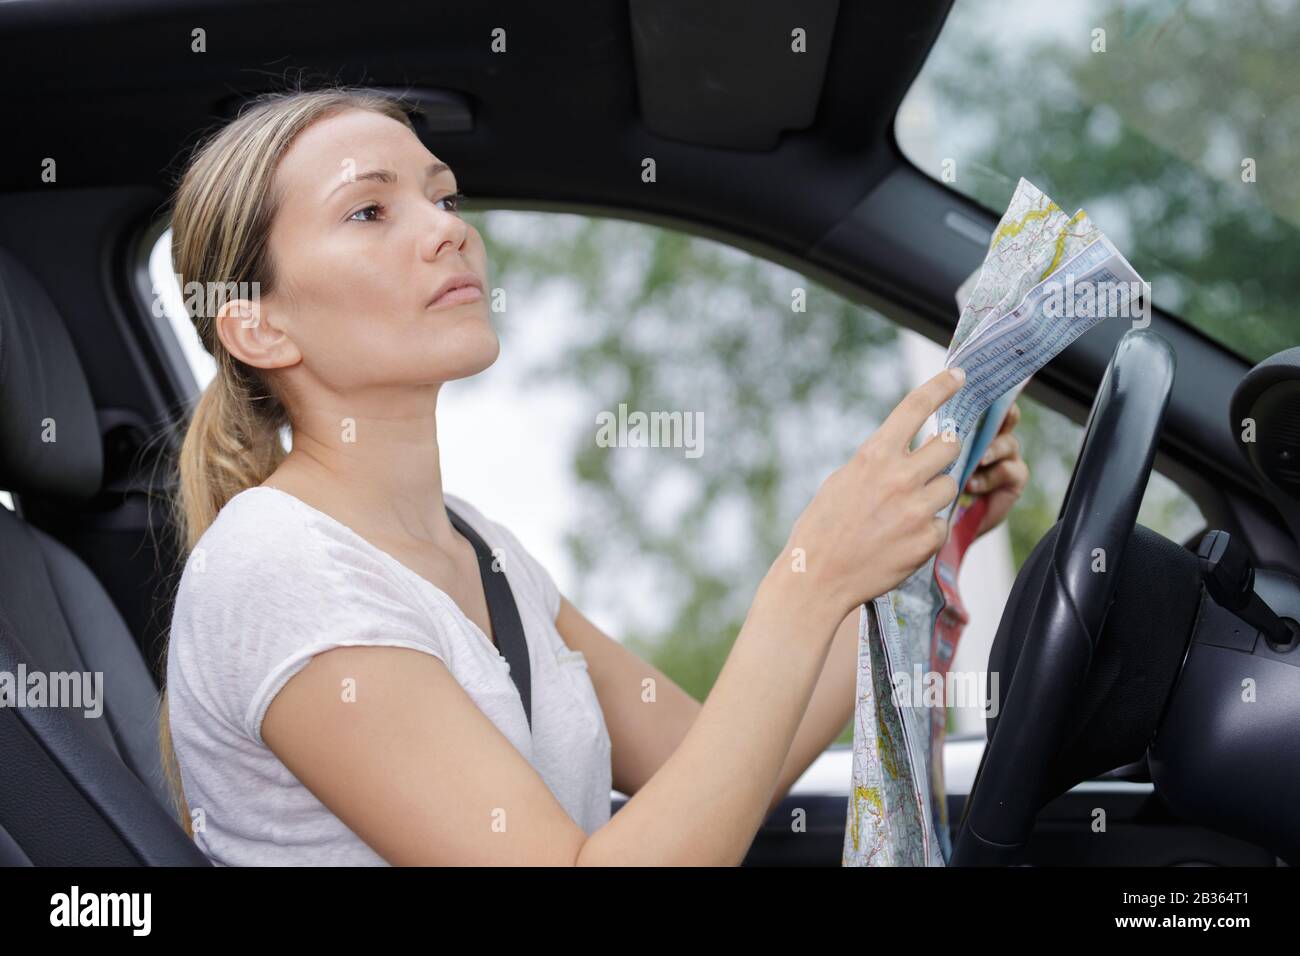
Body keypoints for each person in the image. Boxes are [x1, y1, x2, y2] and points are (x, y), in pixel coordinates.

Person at [159, 86, 1029, 866]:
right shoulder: (281, 571)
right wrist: (809, 578)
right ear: (260, 328)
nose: (449, 229)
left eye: (443, 194)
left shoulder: (478, 546)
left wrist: (924, 531)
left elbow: (712, 763)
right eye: (368, 212)